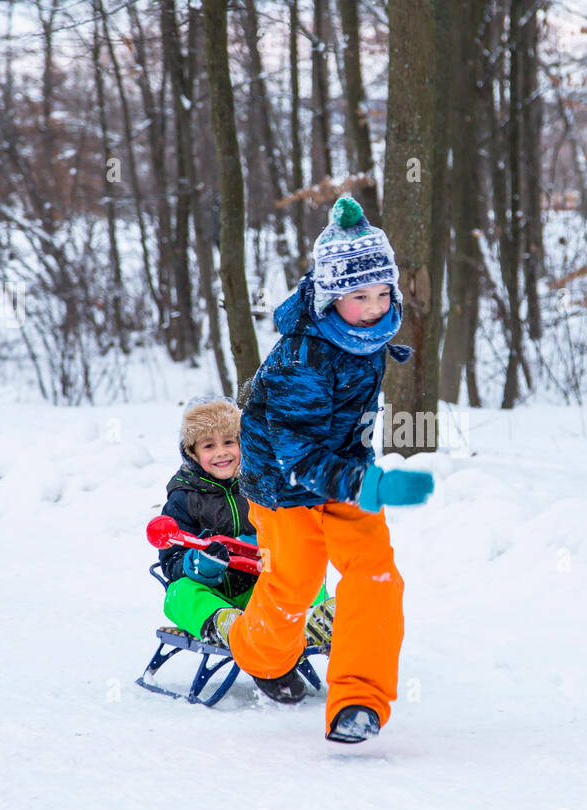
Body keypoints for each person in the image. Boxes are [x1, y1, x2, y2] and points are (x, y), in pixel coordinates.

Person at [232, 195, 434, 744]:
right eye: (358, 296)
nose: (373, 306)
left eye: (382, 292)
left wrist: (359, 477)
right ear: (328, 297)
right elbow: (296, 456)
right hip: (283, 485)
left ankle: (358, 702)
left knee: (375, 575)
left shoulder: (367, 337)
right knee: (295, 585)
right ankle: (257, 652)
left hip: (345, 474)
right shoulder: (302, 358)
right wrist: (370, 483)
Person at [157, 396, 332, 663]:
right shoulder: (183, 497)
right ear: (192, 452)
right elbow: (171, 562)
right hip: (216, 594)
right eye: (208, 445)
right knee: (178, 594)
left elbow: (287, 531)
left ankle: (311, 620)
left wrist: (267, 547)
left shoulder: (261, 486)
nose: (221, 452)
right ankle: (224, 625)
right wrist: (199, 563)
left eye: (229, 442)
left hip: (262, 590)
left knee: (302, 573)